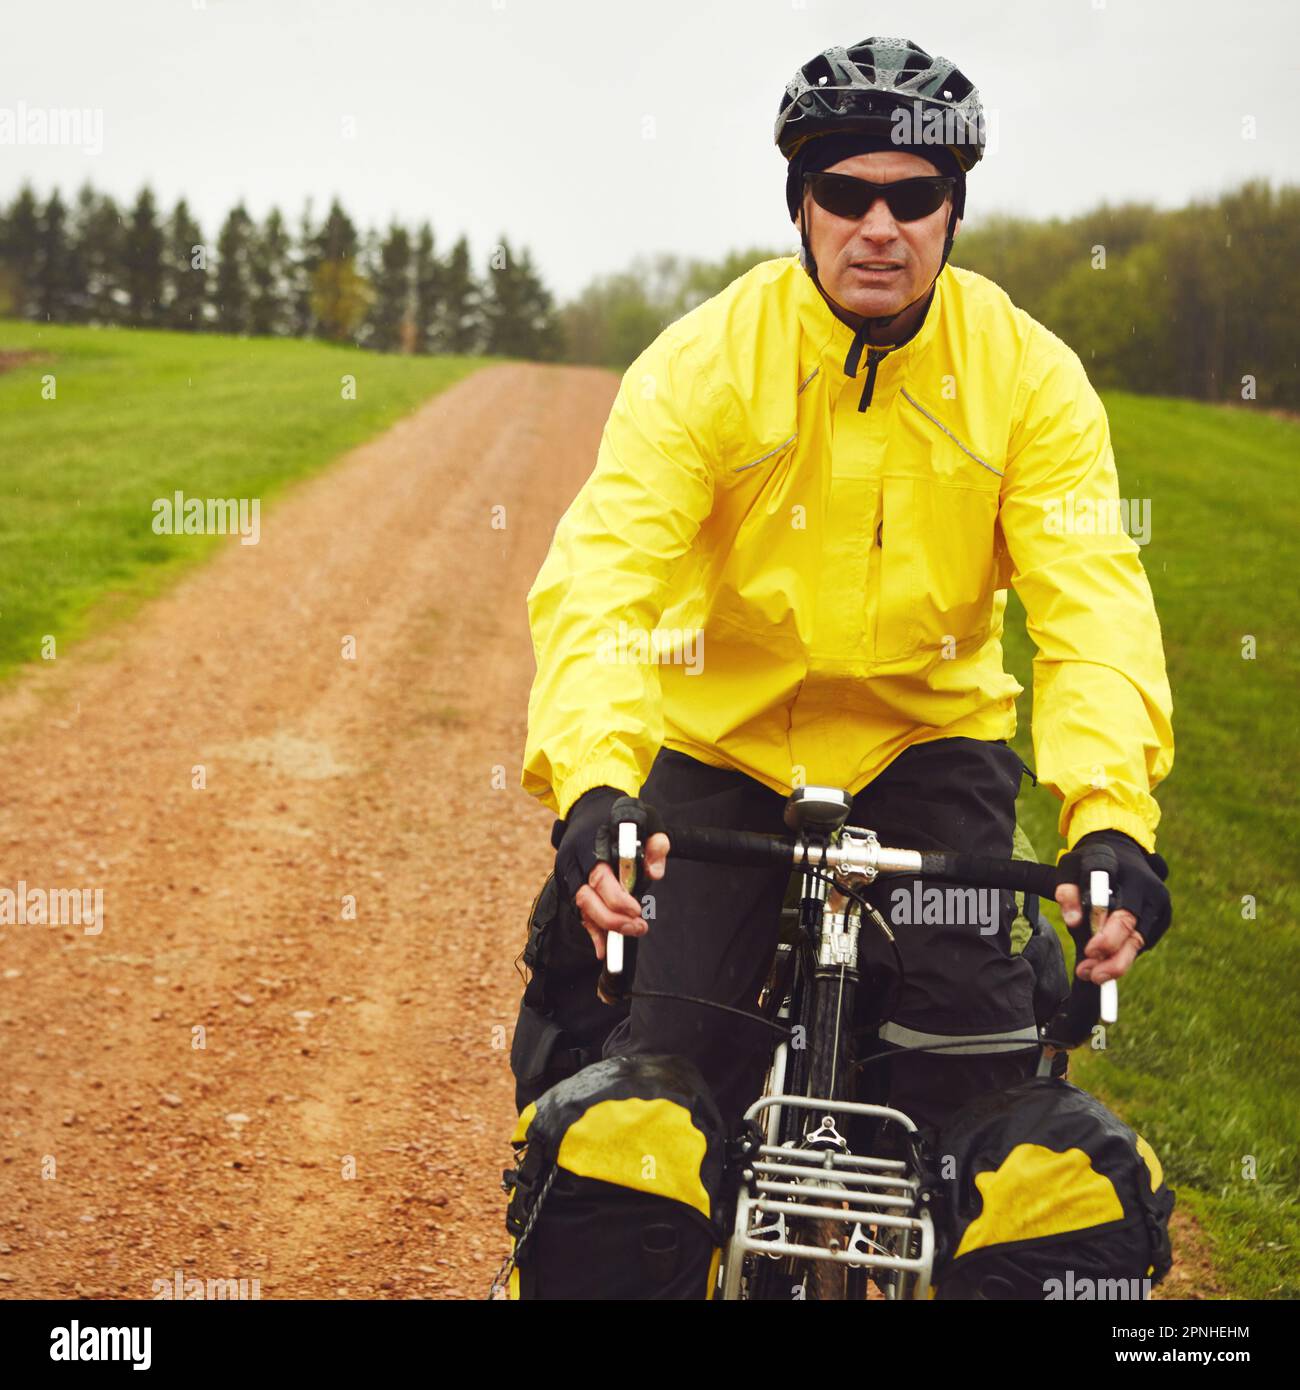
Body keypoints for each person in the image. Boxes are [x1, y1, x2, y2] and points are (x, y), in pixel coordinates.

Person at [521, 36, 1173, 1147]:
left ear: (952, 212)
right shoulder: (705, 362)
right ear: (799, 205)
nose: (881, 226)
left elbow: (1092, 608)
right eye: (846, 193)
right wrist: (595, 787)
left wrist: (1108, 817)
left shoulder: (1029, 379)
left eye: (914, 197)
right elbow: (605, 577)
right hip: (723, 748)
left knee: (979, 1105)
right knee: (650, 1096)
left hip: (928, 751)